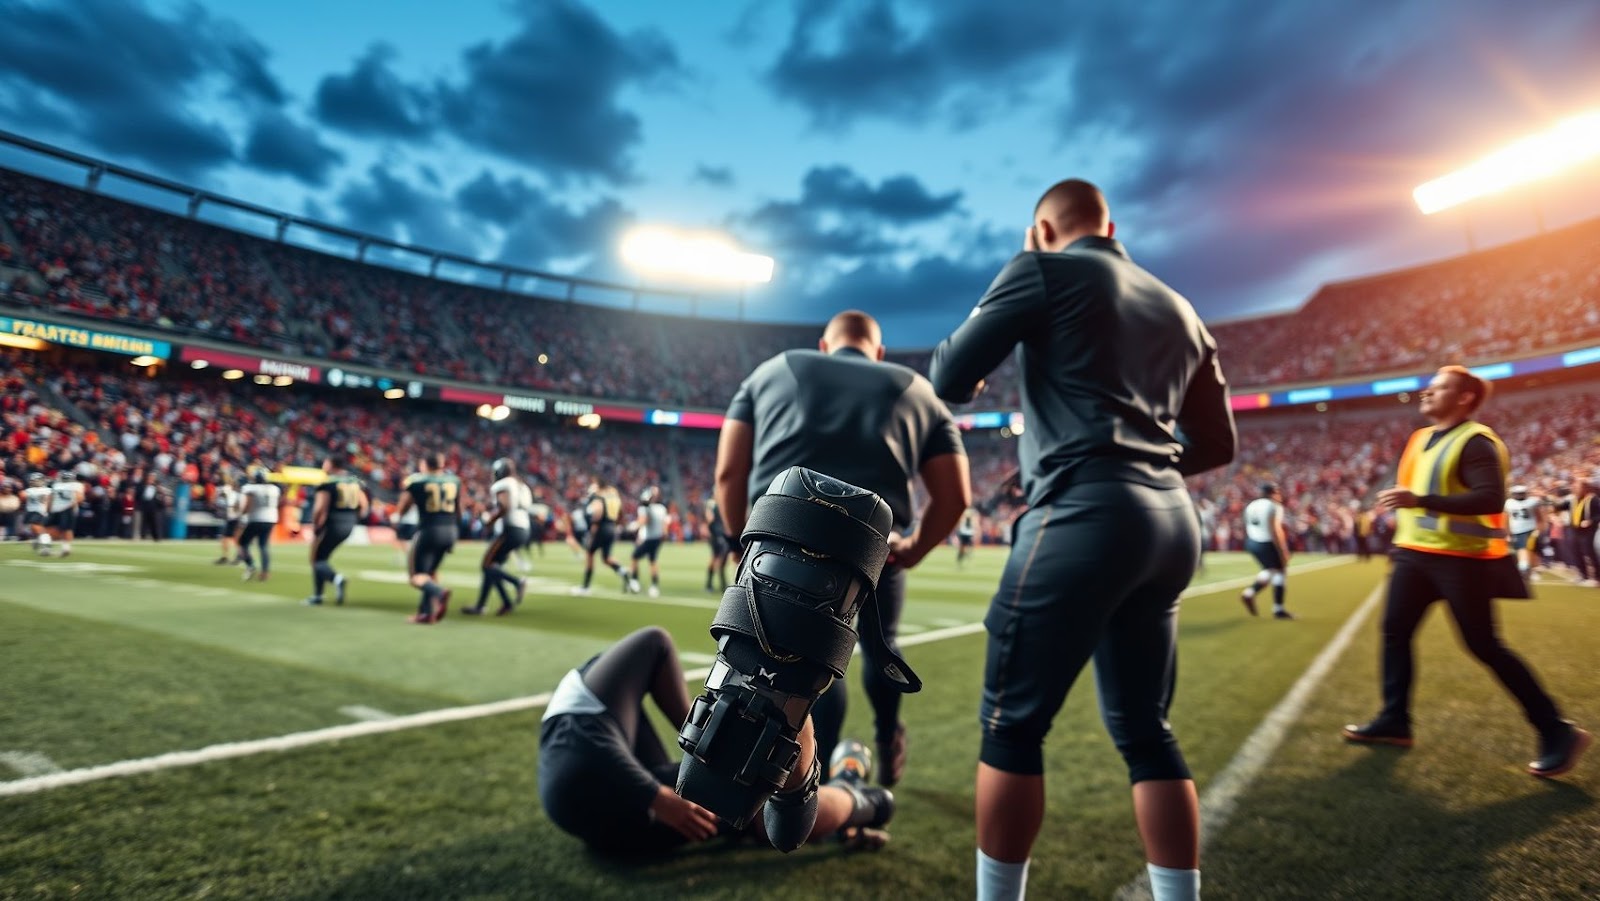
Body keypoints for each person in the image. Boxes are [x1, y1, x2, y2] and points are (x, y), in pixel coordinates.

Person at [928, 179, 1236, 901]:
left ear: (1041, 228)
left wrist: (1093, 464)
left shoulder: (1041, 267)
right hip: (1169, 518)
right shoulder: (1181, 307)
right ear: (1111, 225)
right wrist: (1137, 459)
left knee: (1011, 726)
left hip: (1083, 515)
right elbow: (1218, 441)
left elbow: (949, 375)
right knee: (1144, 728)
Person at [716, 309, 971, 788]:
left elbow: (728, 473)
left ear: (824, 344)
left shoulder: (772, 370)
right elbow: (956, 495)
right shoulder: (918, 389)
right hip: (875, 549)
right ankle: (886, 732)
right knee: (881, 648)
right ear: (878, 352)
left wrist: (737, 541)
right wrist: (913, 550)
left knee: (801, 663)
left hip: (782, 541)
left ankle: (806, 775)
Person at [1344, 366, 1589, 778]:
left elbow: (1490, 499)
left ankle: (1558, 731)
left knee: (1483, 644)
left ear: (1463, 399)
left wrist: (1419, 499)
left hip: (1463, 558)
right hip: (1415, 554)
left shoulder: (1476, 441)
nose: (1426, 393)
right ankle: (1394, 719)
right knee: (1394, 630)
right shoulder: (1421, 438)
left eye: (1438, 388)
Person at [538, 625, 895, 855]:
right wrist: (663, 788)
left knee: (749, 804)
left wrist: (704, 753)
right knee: (756, 806)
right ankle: (865, 797)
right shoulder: (584, 751)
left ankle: (852, 798)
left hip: (602, 815)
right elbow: (655, 643)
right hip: (602, 803)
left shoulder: (590, 727)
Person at [394, 452, 459, 624]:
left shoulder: (417, 481)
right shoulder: (454, 481)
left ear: (425, 464)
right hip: (451, 530)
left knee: (416, 577)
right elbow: (458, 510)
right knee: (428, 573)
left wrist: (398, 517)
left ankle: (439, 593)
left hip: (429, 529)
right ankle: (426, 614)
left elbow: (402, 508)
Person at [464, 457, 531, 616]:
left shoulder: (504, 484)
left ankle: (517, 582)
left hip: (511, 529)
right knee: (493, 567)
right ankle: (499, 603)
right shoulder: (521, 485)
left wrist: (490, 521)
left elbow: (505, 506)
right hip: (523, 528)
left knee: (486, 565)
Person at [304, 454, 368, 607]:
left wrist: (316, 525)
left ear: (332, 464)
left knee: (316, 559)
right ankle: (318, 595)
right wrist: (354, 518)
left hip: (332, 523)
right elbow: (364, 505)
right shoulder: (354, 481)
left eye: (325, 462)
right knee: (322, 558)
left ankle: (335, 580)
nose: (323, 466)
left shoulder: (327, 483)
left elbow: (320, 508)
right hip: (349, 523)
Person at [1239, 483, 1294, 619]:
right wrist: (1283, 550)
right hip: (1267, 542)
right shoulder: (1273, 506)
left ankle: (1250, 594)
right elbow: (1275, 529)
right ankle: (1277, 608)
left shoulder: (1252, 505)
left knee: (1270, 570)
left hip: (1252, 542)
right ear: (1273, 493)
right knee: (1280, 571)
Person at [571, 476, 628, 596]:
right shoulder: (613, 494)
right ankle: (623, 572)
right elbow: (620, 511)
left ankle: (585, 587)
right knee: (606, 558)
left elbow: (598, 512)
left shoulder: (599, 496)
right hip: (612, 526)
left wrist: (593, 528)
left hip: (601, 527)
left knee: (590, 554)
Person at [237, 469, 280, 582]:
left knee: (242, 543)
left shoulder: (251, 488)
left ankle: (250, 564)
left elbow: (248, 504)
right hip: (271, 519)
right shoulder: (274, 489)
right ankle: (265, 572)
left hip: (256, 519)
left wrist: (241, 515)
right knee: (263, 545)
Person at [626, 486, 668, 597]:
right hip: (657, 539)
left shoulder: (645, 508)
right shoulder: (662, 508)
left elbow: (643, 521)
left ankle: (635, 582)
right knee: (652, 561)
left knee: (634, 557)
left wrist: (632, 527)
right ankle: (654, 586)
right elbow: (664, 528)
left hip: (649, 538)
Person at [1504, 485, 1545, 584]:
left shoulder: (1510, 503)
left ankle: (1525, 569)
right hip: (1518, 530)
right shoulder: (1531, 501)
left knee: (1527, 550)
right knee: (1523, 550)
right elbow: (1506, 519)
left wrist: (1540, 529)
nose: (1519, 495)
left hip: (1529, 529)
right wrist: (1507, 533)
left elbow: (1539, 517)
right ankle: (1527, 569)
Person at [1567, 477, 1598, 587]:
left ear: (1584, 488)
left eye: (1577, 486)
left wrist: (1590, 521)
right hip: (1575, 530)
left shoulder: (1592, 499)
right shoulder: (1574, 499)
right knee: (1576, 552)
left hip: (1588, 531)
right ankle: (1583, 576)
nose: (1574, 488)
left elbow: (1598, 514)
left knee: (1589, 553)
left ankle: (1597, 578)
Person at [44, 470, 83, 557]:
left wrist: (47, 509)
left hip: (56, 509)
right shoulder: (74, 486)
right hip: (67, 509)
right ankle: (66, 547)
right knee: (66, 529)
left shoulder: (56, 485)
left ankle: (48, 548)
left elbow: (50, 499)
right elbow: (79, 498)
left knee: (50, 528)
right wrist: (71, 506)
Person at [703, 496, 730, 593]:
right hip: (717, 535)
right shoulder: (713, 503)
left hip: (719, 534)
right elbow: (710, 519)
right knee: (717, 559)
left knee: (719, 559)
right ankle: (714, 584)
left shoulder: (715, 503)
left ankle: (715, 584)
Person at [213, 476, 242, 565]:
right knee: (229, 537)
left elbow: (232, 505)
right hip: (233, 518)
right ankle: (229, 556)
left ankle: (235, 556)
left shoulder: (232, 493)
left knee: (233, 538)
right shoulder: (236, 493)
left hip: (234, 518)